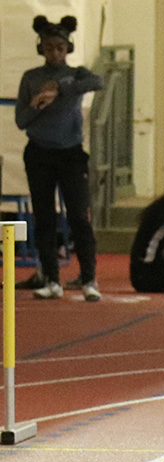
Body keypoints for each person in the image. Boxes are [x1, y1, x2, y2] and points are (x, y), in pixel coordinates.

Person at [14, 15, 102, 301]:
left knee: (78, 216)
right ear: (41, 48)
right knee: (44, 217)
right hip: (39, 153)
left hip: (71, 154)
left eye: (60, 48)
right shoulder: (31, 77)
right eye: (49, 48)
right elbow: (21, 120)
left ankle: (88, 278)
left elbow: (97, 82)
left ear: (68, 49)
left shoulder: (76, 74)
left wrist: (61, 89)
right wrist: (38, 103)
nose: (55, 53)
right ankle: (51, 278)